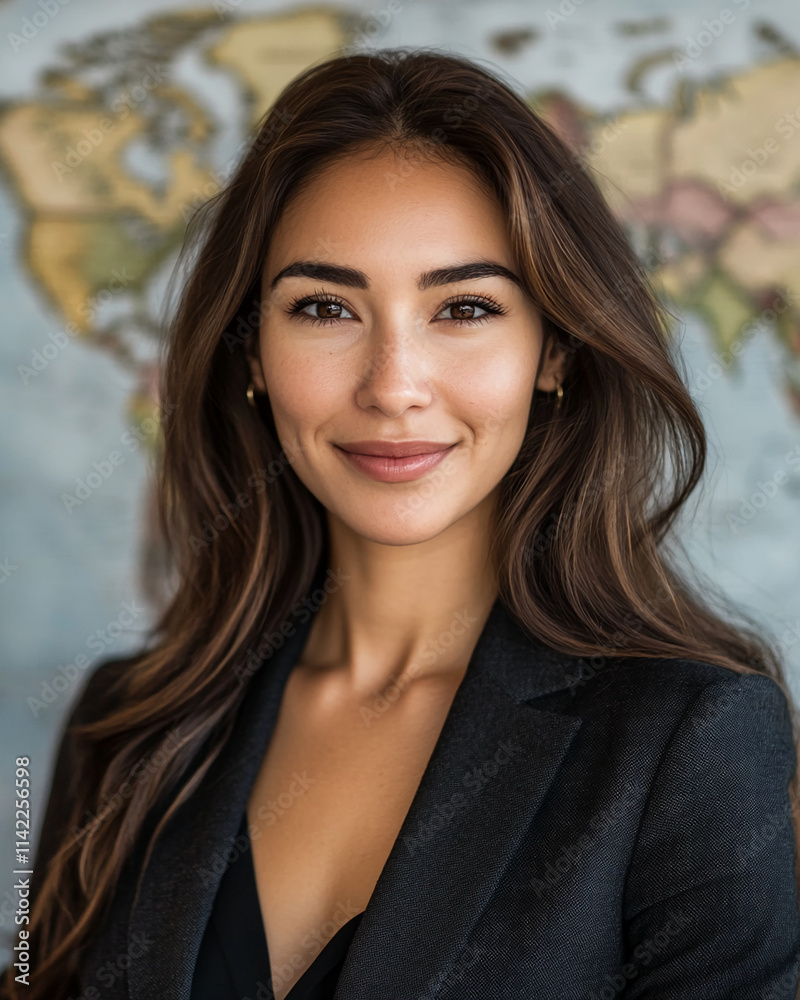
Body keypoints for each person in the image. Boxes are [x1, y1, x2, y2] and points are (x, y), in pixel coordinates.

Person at [4, 47, 799, 1000]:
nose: (393, 387)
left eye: (463, 307)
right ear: (251, 351)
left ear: (554, 351)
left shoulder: (690, 743)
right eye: (324, 307)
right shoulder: (127, 727)